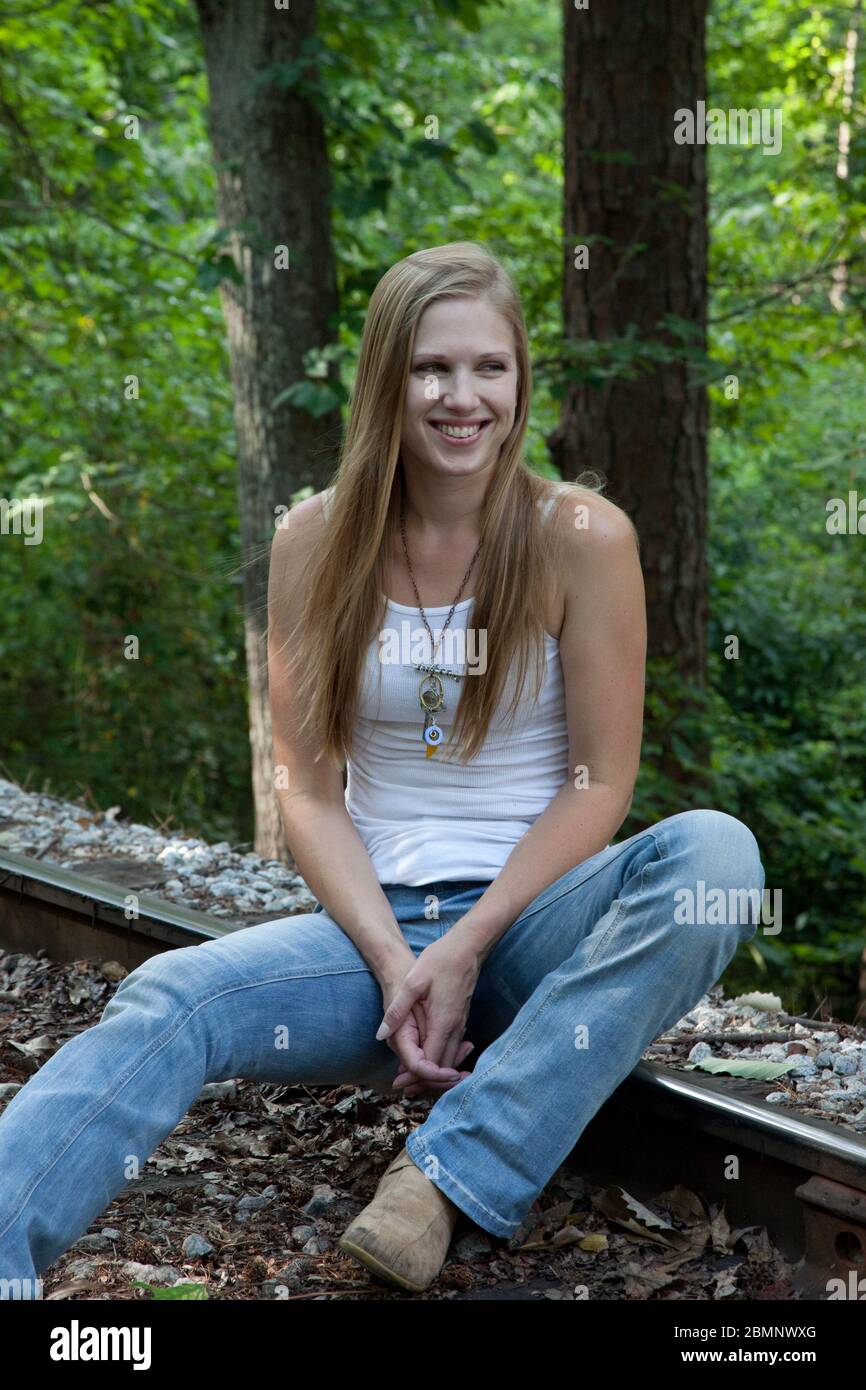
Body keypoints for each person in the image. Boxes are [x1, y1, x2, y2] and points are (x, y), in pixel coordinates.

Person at [0, 241, 764, 1300]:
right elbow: (306, 791)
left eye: (487, 368)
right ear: (385, 381)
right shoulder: (314, 541)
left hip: (535, 925)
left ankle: (443, 1178)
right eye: (430, 369)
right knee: (171, 994)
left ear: (518, 380)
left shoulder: (580, 537)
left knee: (712, 854)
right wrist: (401, 962)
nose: (462, 397)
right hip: (371, 945)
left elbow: (599, 783)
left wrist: (465, 948)